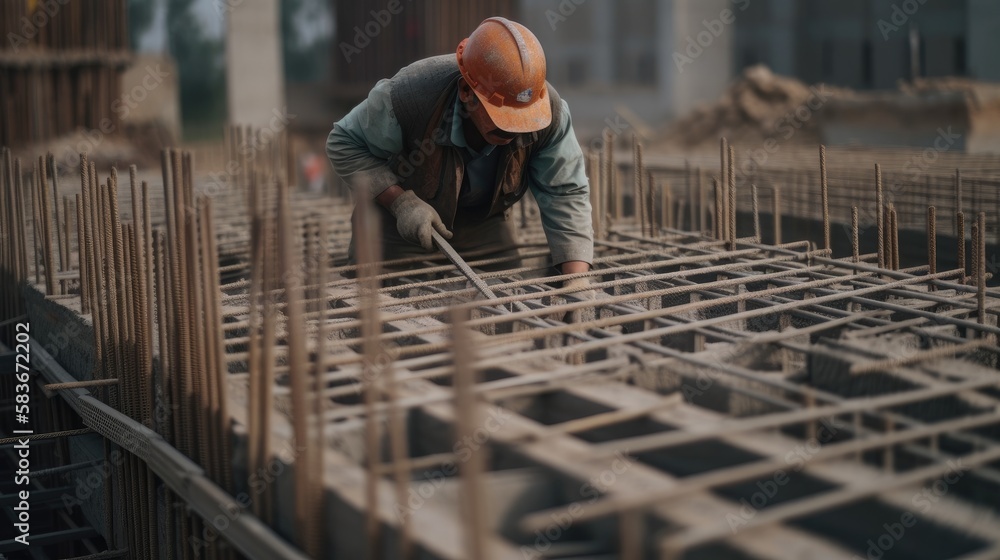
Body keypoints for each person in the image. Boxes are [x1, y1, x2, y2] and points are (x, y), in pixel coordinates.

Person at [326, 16, 592, 283]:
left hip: (483, 222)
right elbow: (343, 143)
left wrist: (577, 284)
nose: (514, 132)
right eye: (502, 117)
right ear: (466, 91)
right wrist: (400, 203)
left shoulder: (548, 113)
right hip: (398, 226)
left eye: (521, 120)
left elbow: (564, 192)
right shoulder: (409, 96)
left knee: (506, 302)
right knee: (384, 303)